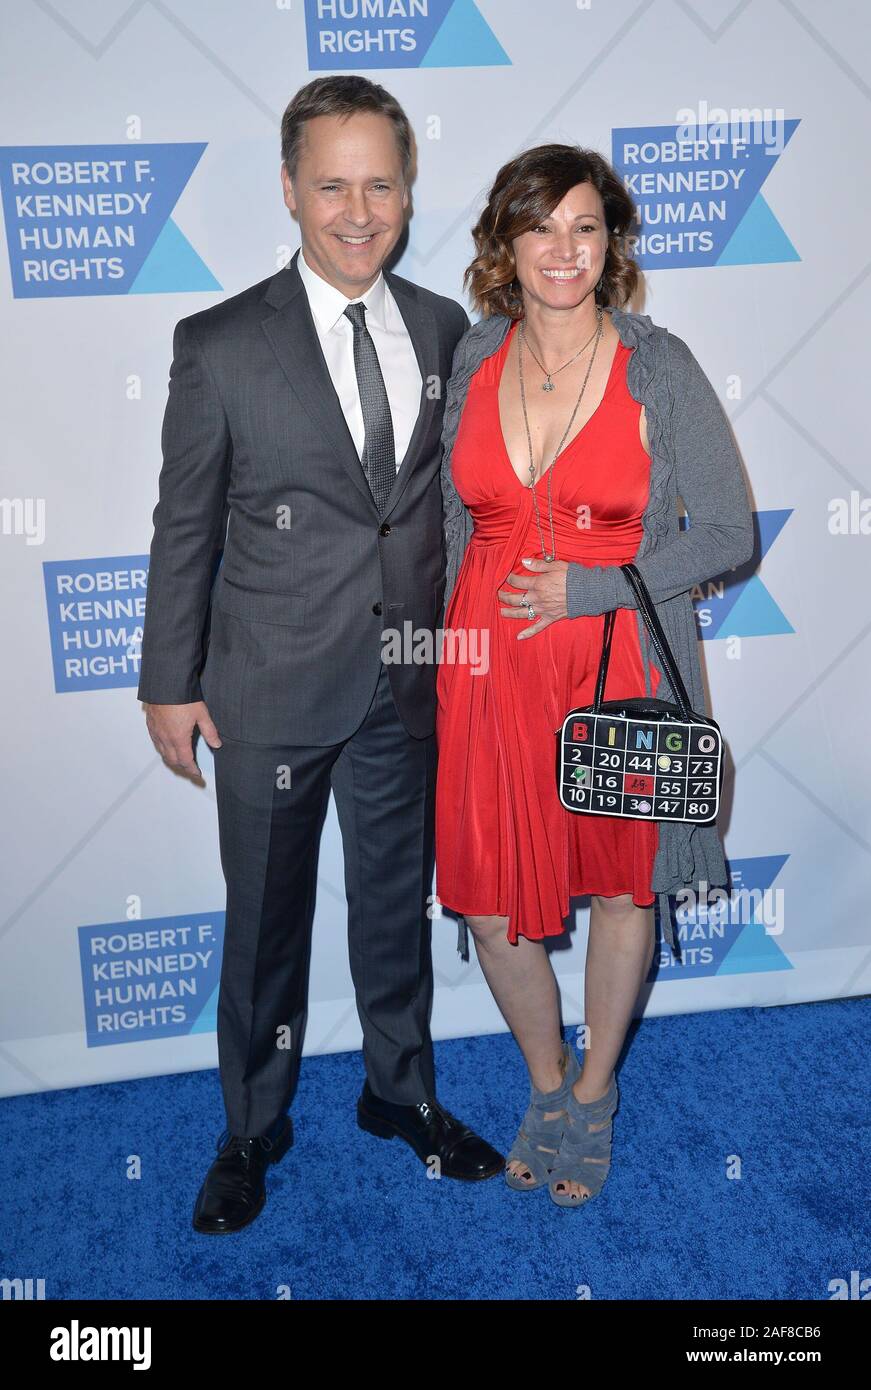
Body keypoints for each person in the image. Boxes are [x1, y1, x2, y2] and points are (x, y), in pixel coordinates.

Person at [137, 75, 503, 1236]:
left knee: (394, 910)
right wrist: (166, 681)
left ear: (408, 189)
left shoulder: (448, 328)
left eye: (380, 183)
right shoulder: (220, 342)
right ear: (290, 190)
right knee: (265, 927)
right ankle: (252, 1125)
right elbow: (184, 525)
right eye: (332, 184)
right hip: (267, 688)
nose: (358, 210)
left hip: (403, 682)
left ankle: (399, 1094)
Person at [435, 144, 754, 1208]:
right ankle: (543, 1085)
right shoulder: (474, 358)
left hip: (615, 666)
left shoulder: (656, 364)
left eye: (584, 226)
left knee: (623, 887)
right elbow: (443, 530)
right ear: (504, 246)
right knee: (489, 907)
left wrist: (599, 588)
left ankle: (597, 1083)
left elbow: (725, 531)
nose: (561, 249)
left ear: (612, 241)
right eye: (539, 228)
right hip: (487, 673)